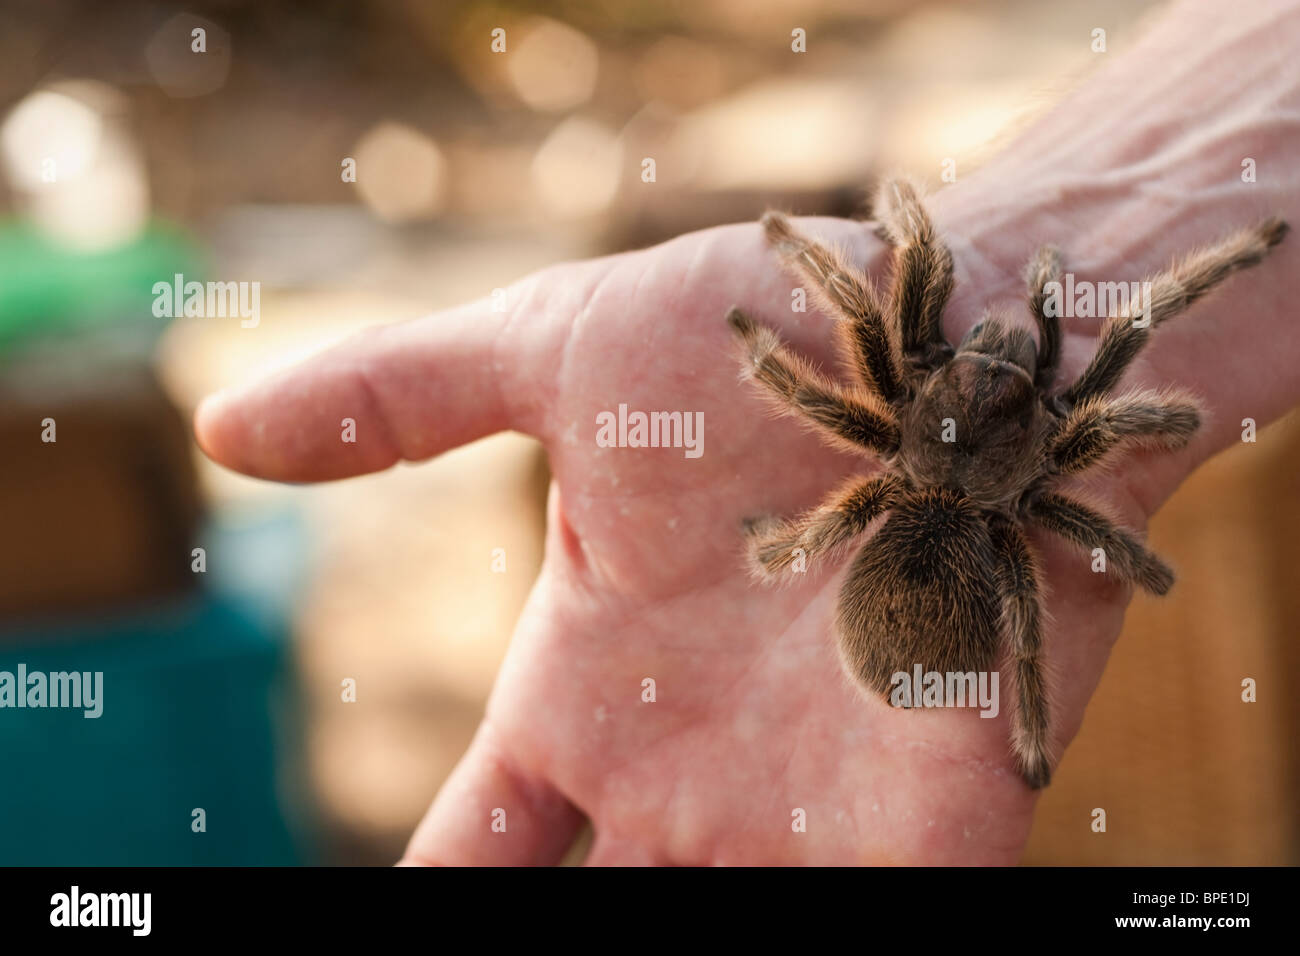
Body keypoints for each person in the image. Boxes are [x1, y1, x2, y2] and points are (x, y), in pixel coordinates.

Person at [194, 0, 1300, 864]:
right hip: (941, 572)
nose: (992, 359)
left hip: (918, 561)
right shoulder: (1042, 473)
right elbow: (1075, 370)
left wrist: (810, 323)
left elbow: (866, 325)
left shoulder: (886, 449)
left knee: (1043, 505)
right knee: (1043, 525)